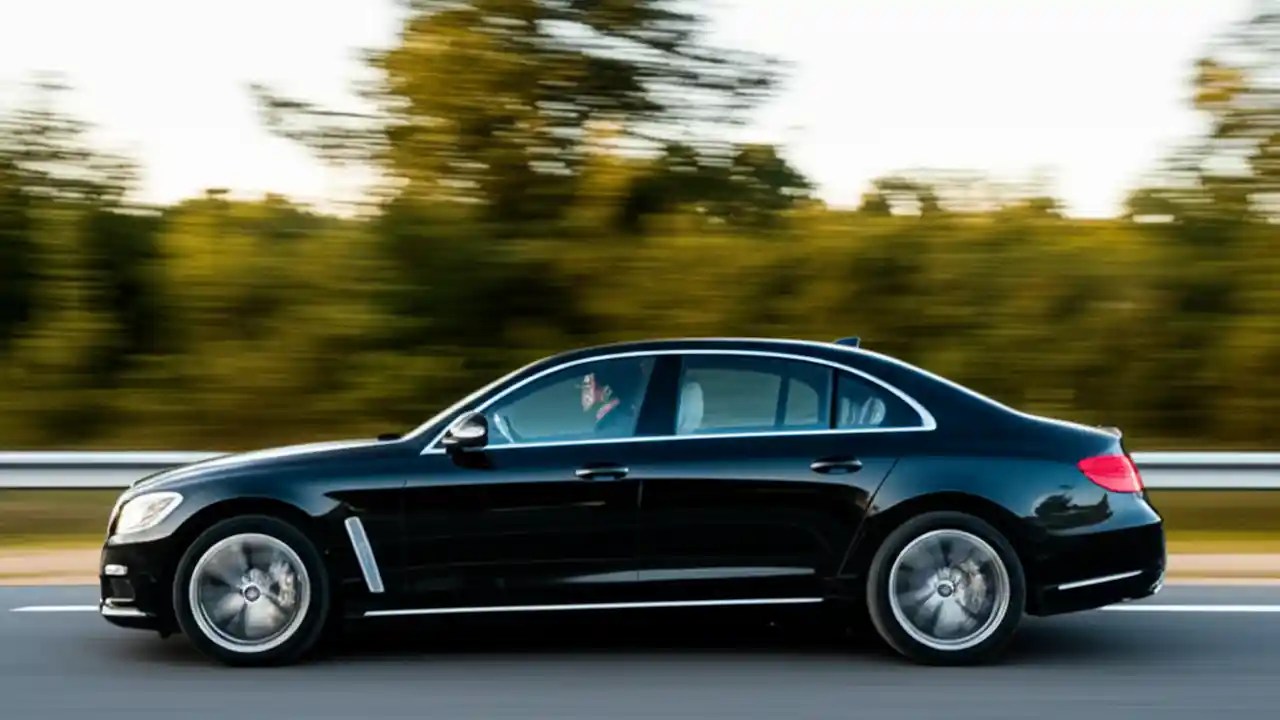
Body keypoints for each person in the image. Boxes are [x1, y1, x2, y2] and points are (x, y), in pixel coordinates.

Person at [578, 363, 643, 439]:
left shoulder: (609, 427)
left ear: (607, 390)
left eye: (587, 386)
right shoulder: (629, 416)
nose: (584, 394)